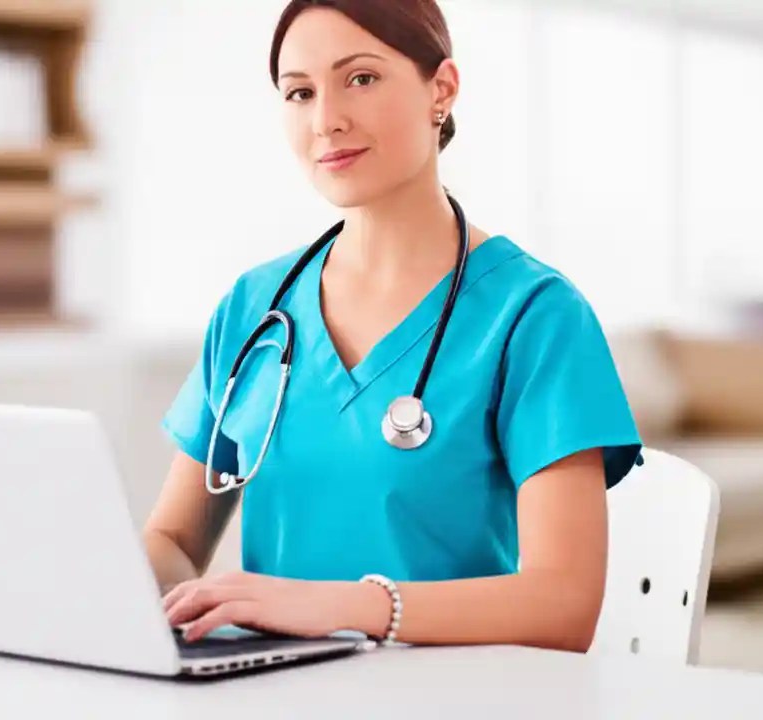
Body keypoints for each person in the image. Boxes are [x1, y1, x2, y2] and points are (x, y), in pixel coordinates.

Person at [145, 0, 642, 651]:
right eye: (300, 93)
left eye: (361, 78)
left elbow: (564, 606)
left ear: (442, 89)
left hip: (456, 691)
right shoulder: (253, 307)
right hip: (270, 690)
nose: (326, 120)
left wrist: (348, 607)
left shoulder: (534, 315)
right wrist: (99, 587)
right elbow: (174, 541)